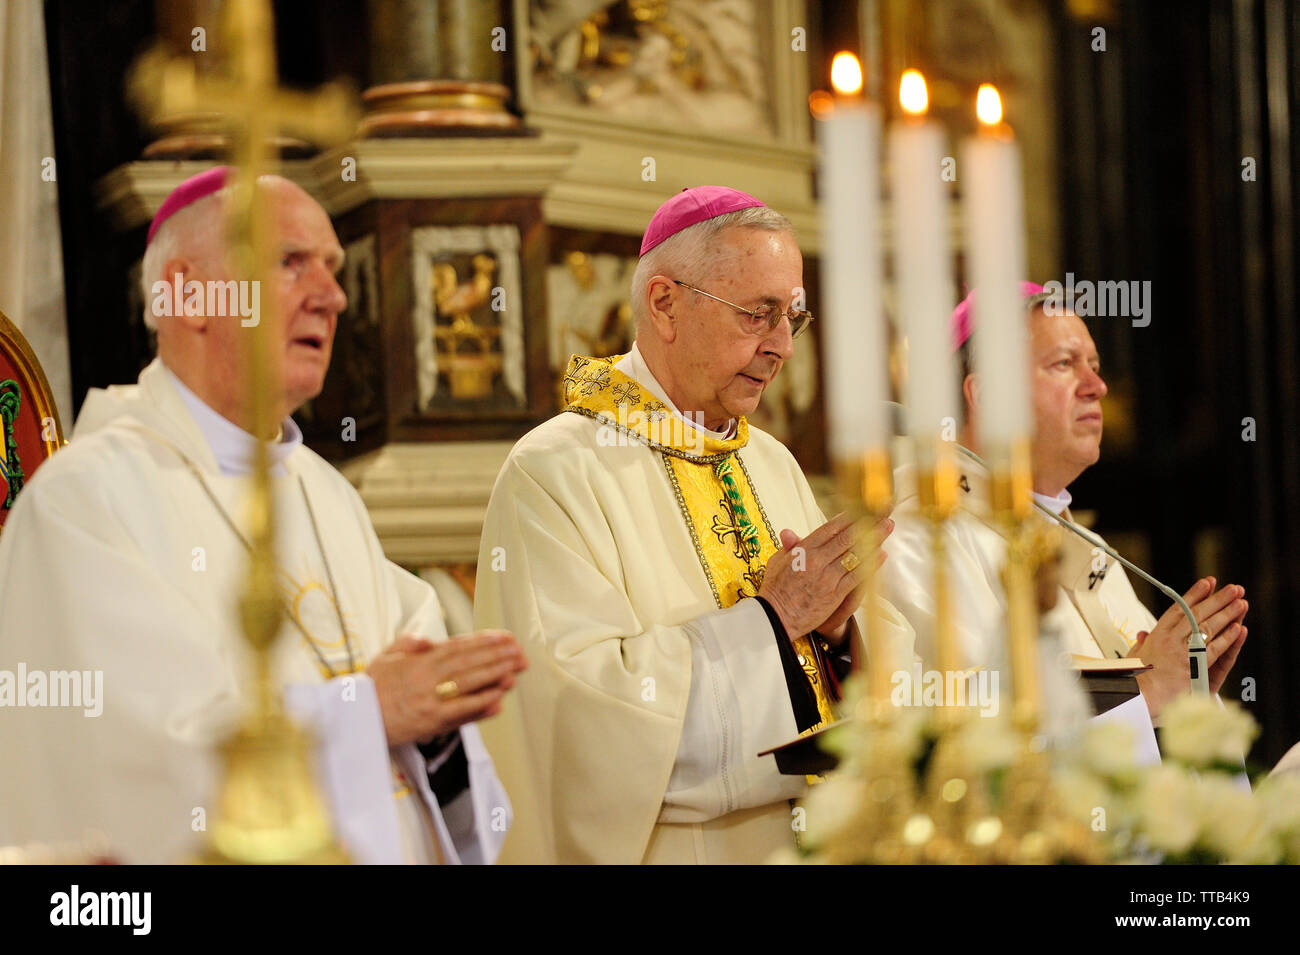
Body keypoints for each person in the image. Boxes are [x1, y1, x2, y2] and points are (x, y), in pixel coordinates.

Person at [0, 167, 526, 864]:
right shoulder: (85, 500)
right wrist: (367, 713)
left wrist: (436, 727)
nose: (334, 296)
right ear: (189, 295)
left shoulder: (324, 493)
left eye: (334, 269)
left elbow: (423, 741)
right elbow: (136, 768)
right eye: (290, 262)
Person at [473, 186, 915, 864]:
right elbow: (576, 725)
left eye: (791, 319)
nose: (781, 348)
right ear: (664, 304)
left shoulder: (771, 462)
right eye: (758, 315)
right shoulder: (554, 472)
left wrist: (837, 635)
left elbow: (875, 676)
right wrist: (773, 623)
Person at [883, 283, 1248, 724]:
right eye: (1064, 364)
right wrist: (1145, 696)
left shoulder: (1088, 547)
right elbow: (977, 743)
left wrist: (1184, 706)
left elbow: (1148, 702)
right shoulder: (921, 537)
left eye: (1094, 366)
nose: (1097, 386)